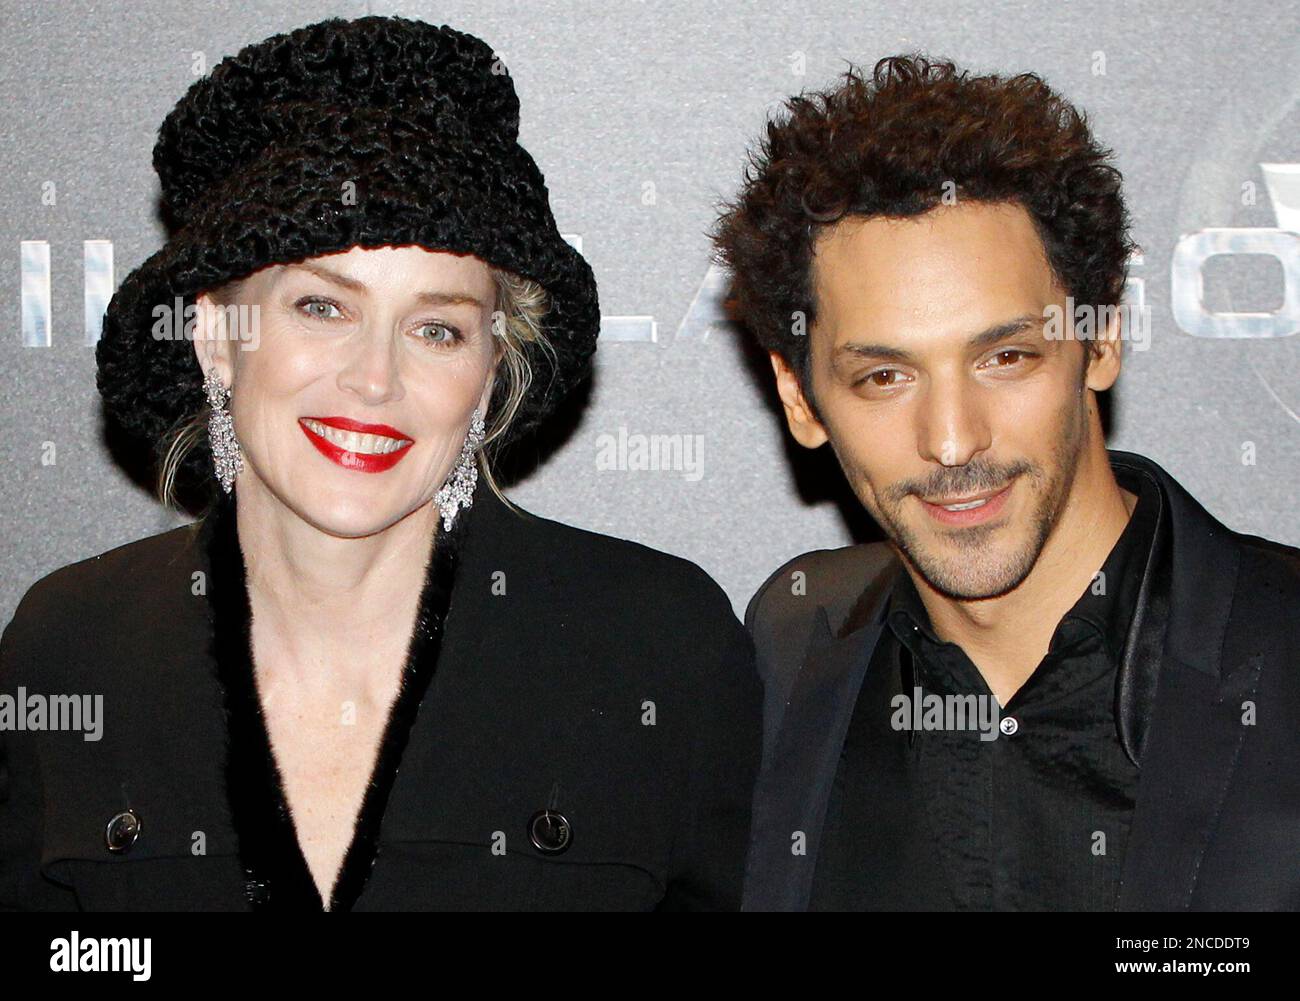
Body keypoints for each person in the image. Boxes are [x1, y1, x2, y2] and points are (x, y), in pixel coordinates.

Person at [0, 15, 760, 911]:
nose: (374, 379)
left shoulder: (657, 648)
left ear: (487, 374)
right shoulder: (70, 648)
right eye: (322, 307)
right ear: (215, 334)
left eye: (436, 328)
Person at [711, 54, 1300, 910]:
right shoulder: (788, 650)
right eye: (885, 376)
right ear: (801, 398)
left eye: (1005, 356)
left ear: (1099, 340)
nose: (952, 439)